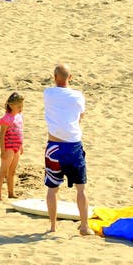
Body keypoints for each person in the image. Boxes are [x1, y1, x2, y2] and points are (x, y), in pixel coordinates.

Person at [44, 63, 92, 235]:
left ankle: (52, 226)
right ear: (70, 78)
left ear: (54, 77)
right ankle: (84, 226)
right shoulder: (78, 96)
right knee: (81, 188)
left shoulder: (48, 93)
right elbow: (80, 117)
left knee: (52, 188)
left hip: (54, 146)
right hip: (73, 145)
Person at [0, 92, 24, 200]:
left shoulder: (19, 116)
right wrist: (2, 150)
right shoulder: (6, 118)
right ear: (11, 105)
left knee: (13, 171)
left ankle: (11, 193)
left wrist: (21, 146)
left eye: (22, 106)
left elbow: (20, 131)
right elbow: (2, 134)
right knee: (4, 171)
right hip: (8, 147)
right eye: (19, 106)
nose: (21, 109)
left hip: (17, 146)